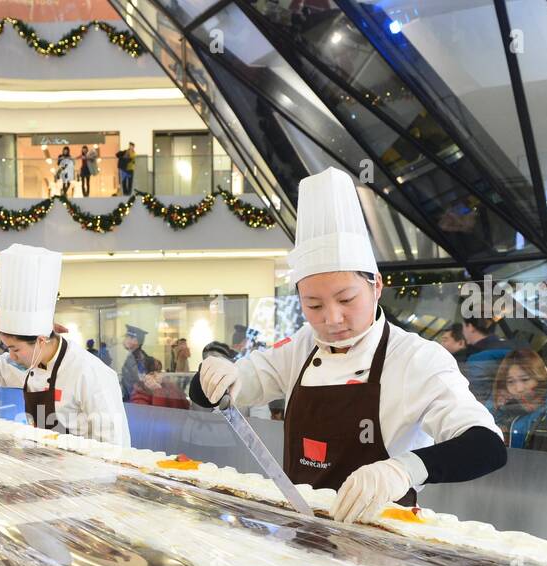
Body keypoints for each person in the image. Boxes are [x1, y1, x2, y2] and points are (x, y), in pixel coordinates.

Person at [189, 167, 506, 523]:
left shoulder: (416, 358)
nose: (332, 319)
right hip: (302, 533)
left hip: (381, 545)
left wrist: (403, 469)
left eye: (346, 299)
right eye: (314, 305)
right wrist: (214, 371)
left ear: (376, 286)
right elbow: (217, 392)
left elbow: (486, 446)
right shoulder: (301, 348)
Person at [0, 244, 130, 446]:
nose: (11, 356)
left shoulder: (89, 371)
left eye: (15, 349)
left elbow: (115, 444)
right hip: (45, 465)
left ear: (40, 340)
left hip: (84, 474)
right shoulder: (31, 362)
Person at [119, 324, 151, 402]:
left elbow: (137, 382)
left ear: (135, 341)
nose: (124, 340)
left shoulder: (135, 358)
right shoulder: (139, 355)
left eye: (127, 337)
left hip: (133, 401)